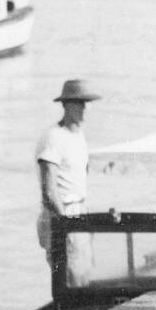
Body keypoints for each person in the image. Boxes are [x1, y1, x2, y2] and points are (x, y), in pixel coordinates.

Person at [37, 80, 100, 288]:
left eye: (87, 103)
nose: (84, 107)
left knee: (84, 274)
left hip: (79, 210)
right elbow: (49, 191)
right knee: (71, 278)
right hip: (61, 214)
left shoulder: (79, 136)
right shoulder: (53, 137)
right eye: (79, 103)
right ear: (65, 105)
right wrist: (66, 225)